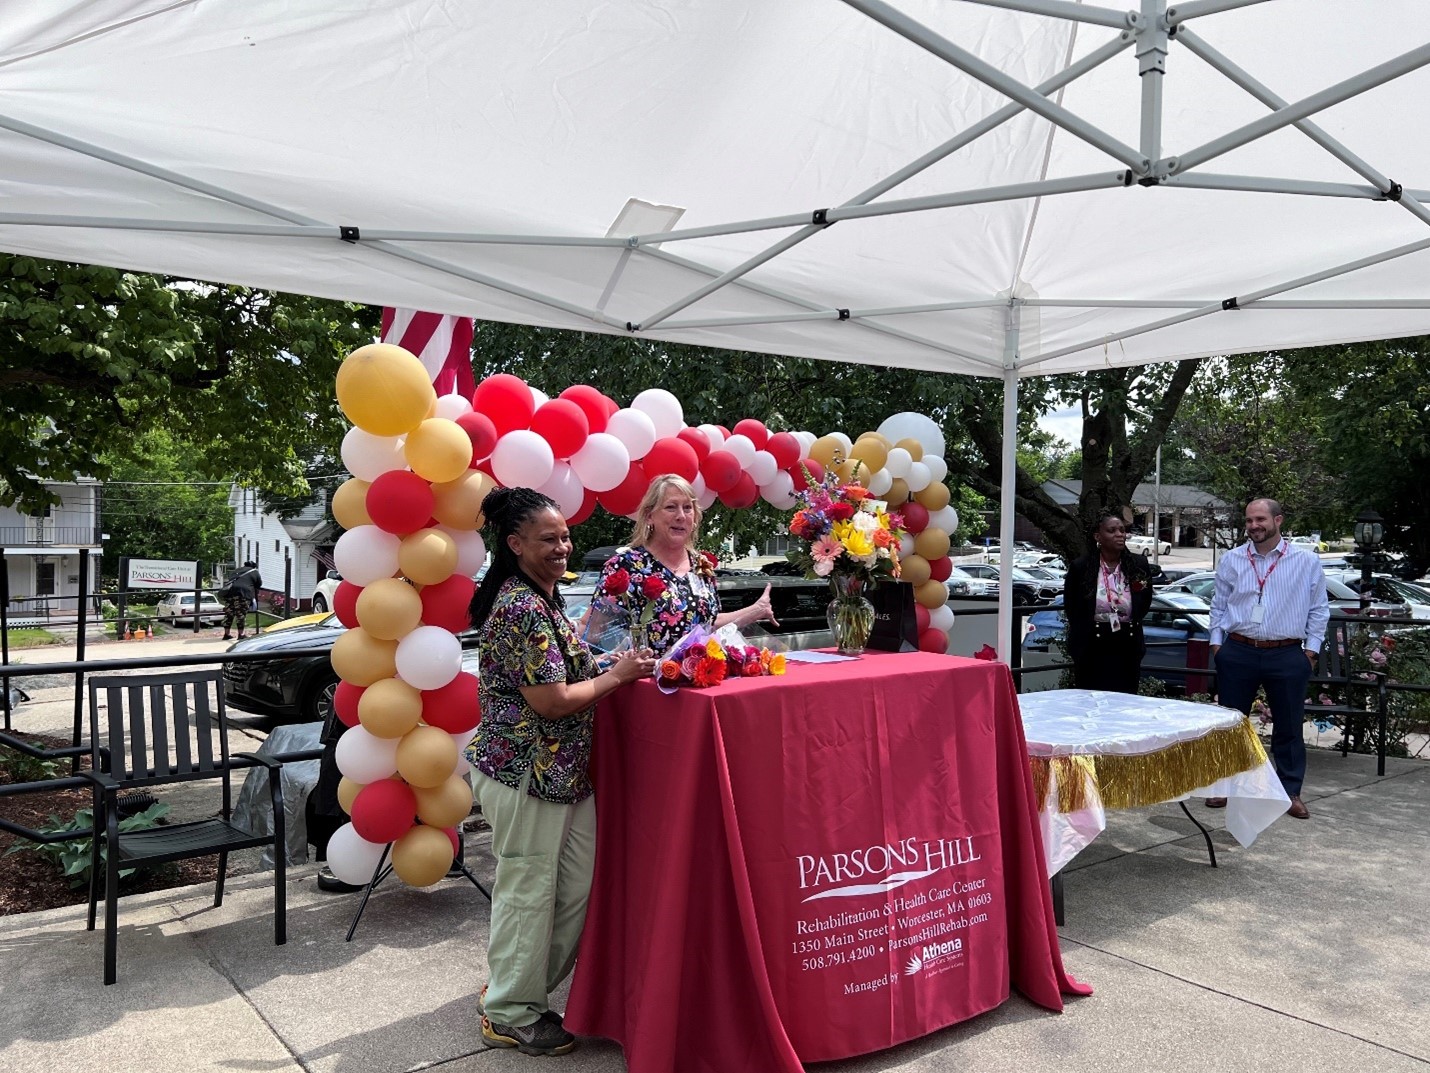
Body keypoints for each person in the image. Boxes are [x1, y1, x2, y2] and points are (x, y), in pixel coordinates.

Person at [468, 486, 655, 1057]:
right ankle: (509, 1012)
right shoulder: (522, 607)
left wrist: (611, 665)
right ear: (515, 543)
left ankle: (516, 987)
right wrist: (616, 679)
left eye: (566, 536)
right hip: (525, 774)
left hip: (564, 775)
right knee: (529, 893)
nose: (562, 546)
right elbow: (550, 701)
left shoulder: (546, 599)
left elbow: (572, 667)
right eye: (548, 538)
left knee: (573, 888)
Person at [1207, 498, 1329, 819]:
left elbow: (1319, 609)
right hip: (1238, 651)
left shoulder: (1305, 561)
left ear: (1278, 520)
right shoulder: (1233, 559)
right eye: (1248, 520)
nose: (1253, 526)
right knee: (1230, 725)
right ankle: (1224, 786)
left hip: (1287, 653)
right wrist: (1218, 646)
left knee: (1288, 726)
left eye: (1260, 519)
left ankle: (1290, 791)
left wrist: (1311, 652)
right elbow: (1219, 606)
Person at [594, 474, 777, 655]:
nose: (681, 516)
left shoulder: (702, 567)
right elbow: (594, 629)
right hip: (643, 681)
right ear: (650, 516)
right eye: (671, 507)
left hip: (697, 678)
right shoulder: (624, 566)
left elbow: (708, 624)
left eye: (688, 508)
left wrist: (756, 610)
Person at [1062, 513, 1155, 693]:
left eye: (1122, 530)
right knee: (1091, 698)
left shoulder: (1138, 564)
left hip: (1127, 644)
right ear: (1098, 537)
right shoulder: (1082, 566)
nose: (1119, 534)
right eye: (1112, 531)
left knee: (1124, 700)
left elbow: (1144, 601)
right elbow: (1072, 606)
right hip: (1092, 645)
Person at [221, 559, 263, 641]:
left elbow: (230, 579)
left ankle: (227, 634)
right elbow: (259, 584)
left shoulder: (237, 570)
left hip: (230, 593)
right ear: (254, 566)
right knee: (240, 614)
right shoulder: (254, 572)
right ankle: (241, 634)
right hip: (243, 594)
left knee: (229, 613)